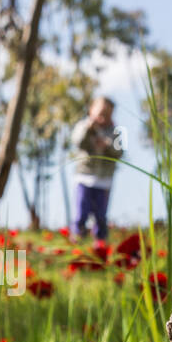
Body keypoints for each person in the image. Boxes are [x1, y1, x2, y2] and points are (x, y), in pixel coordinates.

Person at [69, 96, 120, 241]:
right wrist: (88, 129)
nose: (103, 118)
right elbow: (77, 141)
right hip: (84, 176)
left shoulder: (114, 132)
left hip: (104, 180)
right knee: (81, 211)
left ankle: (100, 243)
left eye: (107, 115)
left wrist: (107, 145)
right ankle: (78, 238)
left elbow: (119, 152)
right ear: (91, 111)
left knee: (101, 215)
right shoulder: (83, 126)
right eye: (100, 114)